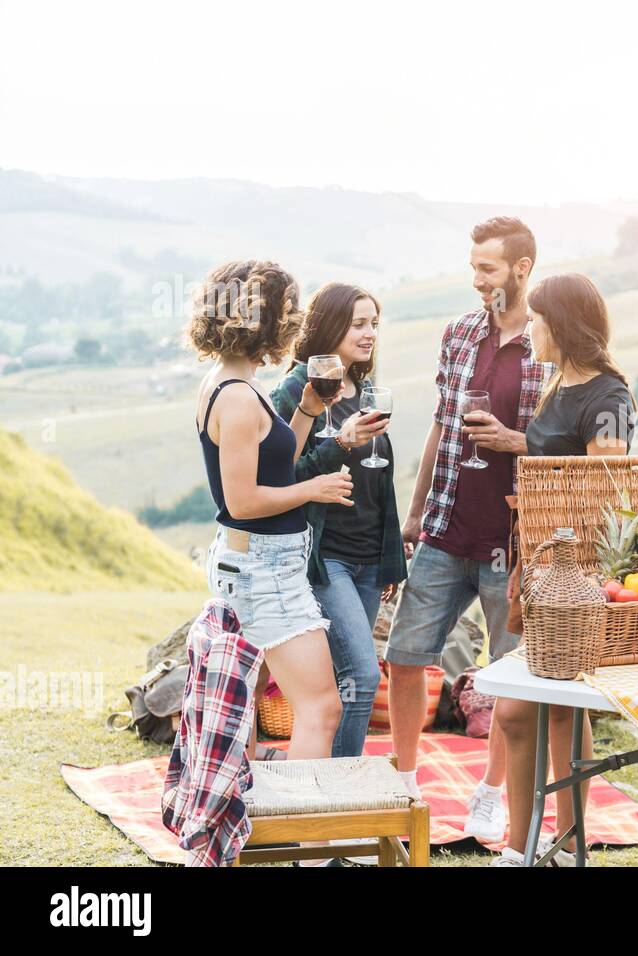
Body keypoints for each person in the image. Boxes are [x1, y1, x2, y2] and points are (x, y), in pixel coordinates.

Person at [385, 217, 551, 842]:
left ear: (522, 267)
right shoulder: (458, 334)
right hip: (445, 528)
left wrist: (514, 442)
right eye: (473, 267)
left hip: (511, 542)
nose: (477, 279)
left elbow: (563, 443)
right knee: (405, 656)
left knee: (510, 678)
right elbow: (438, 427)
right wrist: (414, 511)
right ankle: (402, 785)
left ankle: (491, 793)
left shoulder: (547, 342)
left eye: (488, 268)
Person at [189, 260, 353, 866]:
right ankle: (303, 852)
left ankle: (272, 839)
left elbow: (271, 457)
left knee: (269, 707)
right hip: (261, 570)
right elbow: (243, 501)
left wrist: (306, 413)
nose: (294, 320)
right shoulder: (234, 397)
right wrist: (314, 491)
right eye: (289, 310)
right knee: (321, 706)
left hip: (264, 567)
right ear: (262, 317)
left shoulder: (235, 383)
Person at [492, 272, 635, 867]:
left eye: (535, 320)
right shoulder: (559, 386)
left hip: (577, 576)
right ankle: (531, 848)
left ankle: (554, 845)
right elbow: (552, 463)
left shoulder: (610, 399)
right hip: (538, 563)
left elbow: (606, 488)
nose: (527, 330)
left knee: (540, 706)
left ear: (563, 324)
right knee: (532, 707)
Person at [270, 282, 403, 759]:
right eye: (358, 324)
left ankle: (324, 784)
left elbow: (379, 479)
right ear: (330, 326)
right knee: (364, 676)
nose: (369, 334)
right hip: (326, 559)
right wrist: (339, 444)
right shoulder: (294, 390)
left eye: (374, 325)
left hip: (368, 558)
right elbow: (282, 477)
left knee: (348, 678)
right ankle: (339, 791)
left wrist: (390, 562)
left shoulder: (364, 390)